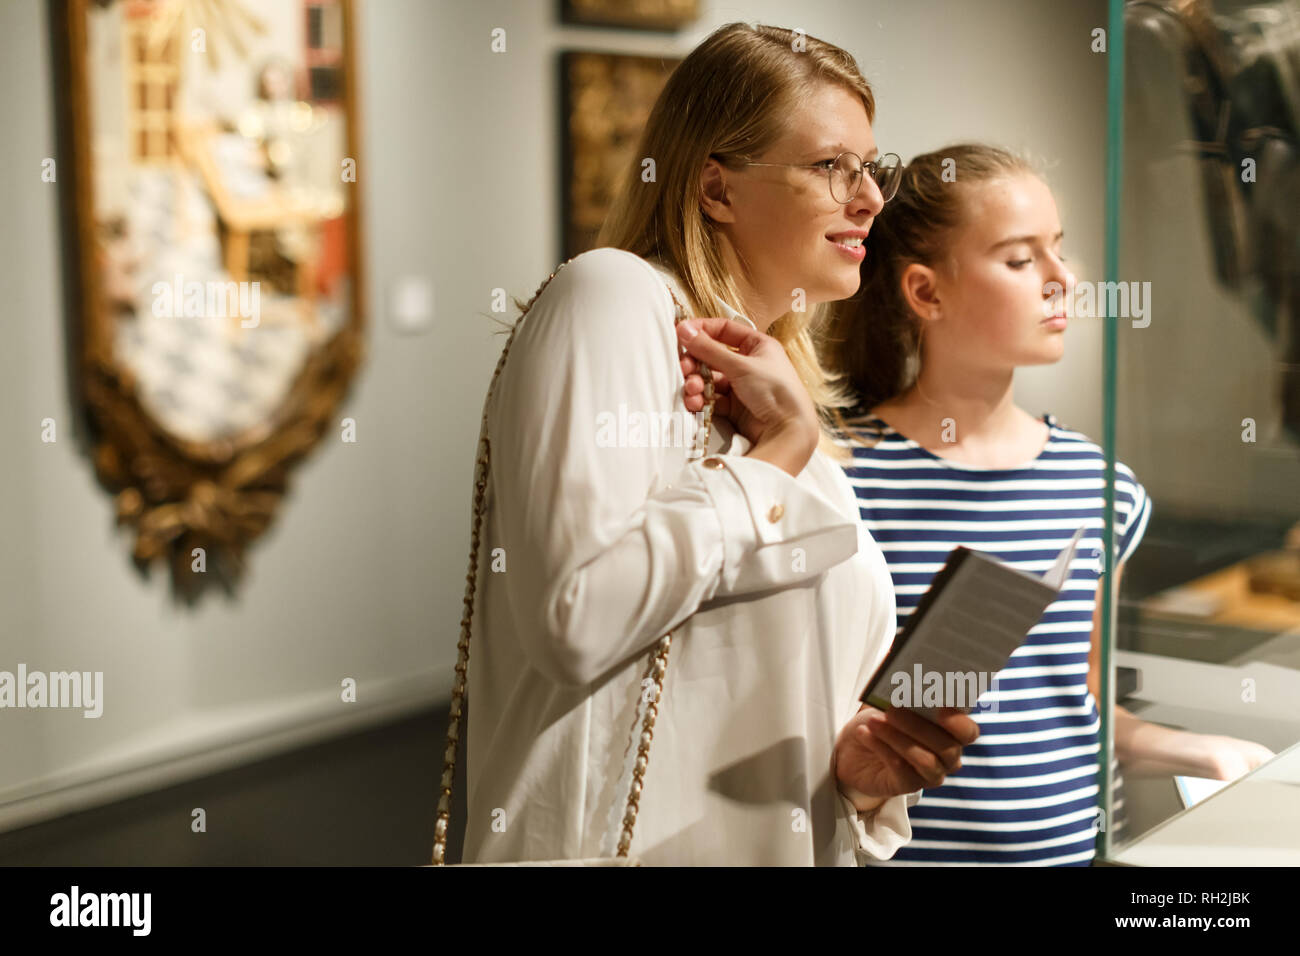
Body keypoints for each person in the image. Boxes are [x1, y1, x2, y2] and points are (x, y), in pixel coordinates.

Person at [461, 23, 978, 867]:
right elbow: (573, 620)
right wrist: (774, 460)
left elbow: (754, 693)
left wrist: (855, 764)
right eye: (830, 167)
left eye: (871, 167)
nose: (871, 200)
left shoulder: (780, 399)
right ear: (716, 188)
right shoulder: (614, 296)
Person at [818, 143, 1275, 864]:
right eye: (1021, 259)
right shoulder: (838, 478)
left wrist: (1192, 747)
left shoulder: (1099, 485)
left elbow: (1083, 698)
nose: (1064, 281)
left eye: (1059, 250)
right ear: (926, 293)